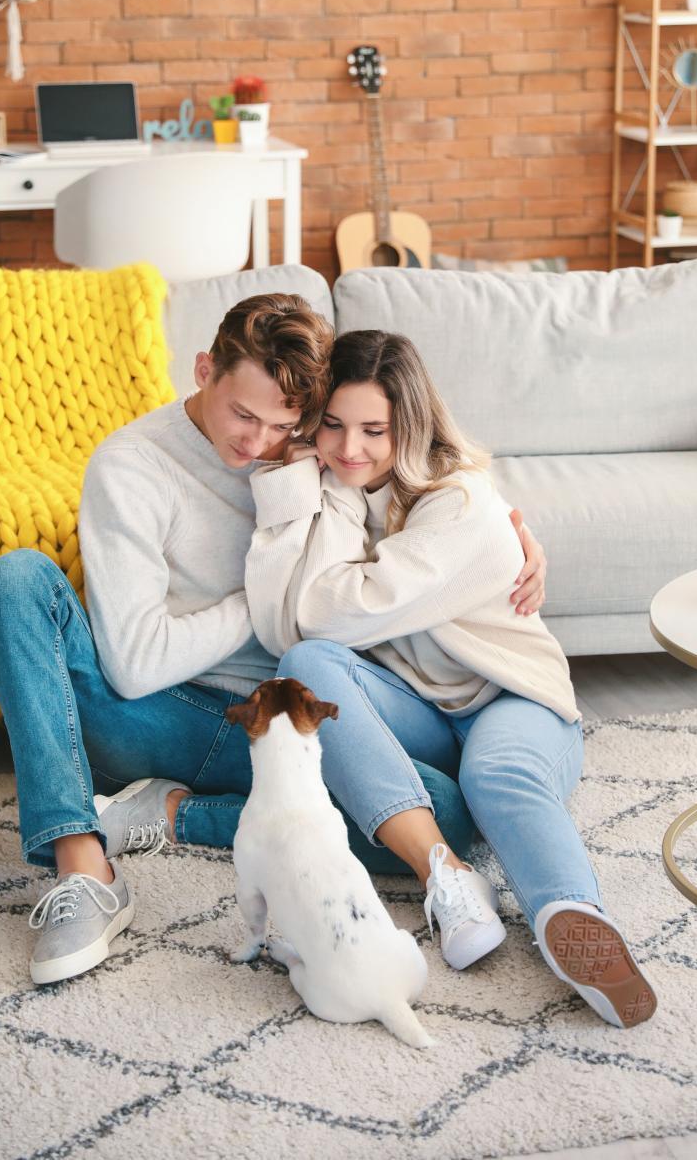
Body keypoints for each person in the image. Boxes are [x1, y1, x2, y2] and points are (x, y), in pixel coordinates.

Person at [0, 293, 544, 987]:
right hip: (153, 713)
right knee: (15, 578)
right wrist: (275, 606)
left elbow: (430, 491)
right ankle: (84, 868)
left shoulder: (315, 455)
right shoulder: (132, 465)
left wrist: (514, 538)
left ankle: (174, 814)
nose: (255, 443)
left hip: (278, 727)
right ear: (203, 369)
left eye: (281, 424)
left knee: (450, 820)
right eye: (242, 413)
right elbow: (133, 664)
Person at [244, 329, 657, 1029]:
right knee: (305, 671)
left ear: (410, 422)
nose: (351, 449)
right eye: (335, 426)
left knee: (497, 776)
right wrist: (335, 495)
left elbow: (323, 606)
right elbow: (299, 628)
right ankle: (447, 874)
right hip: (421, 707)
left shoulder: (461, 503)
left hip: (511, 696)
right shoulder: (343, 486)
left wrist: (337, 506)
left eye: (375, 429)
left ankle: (573, 919)